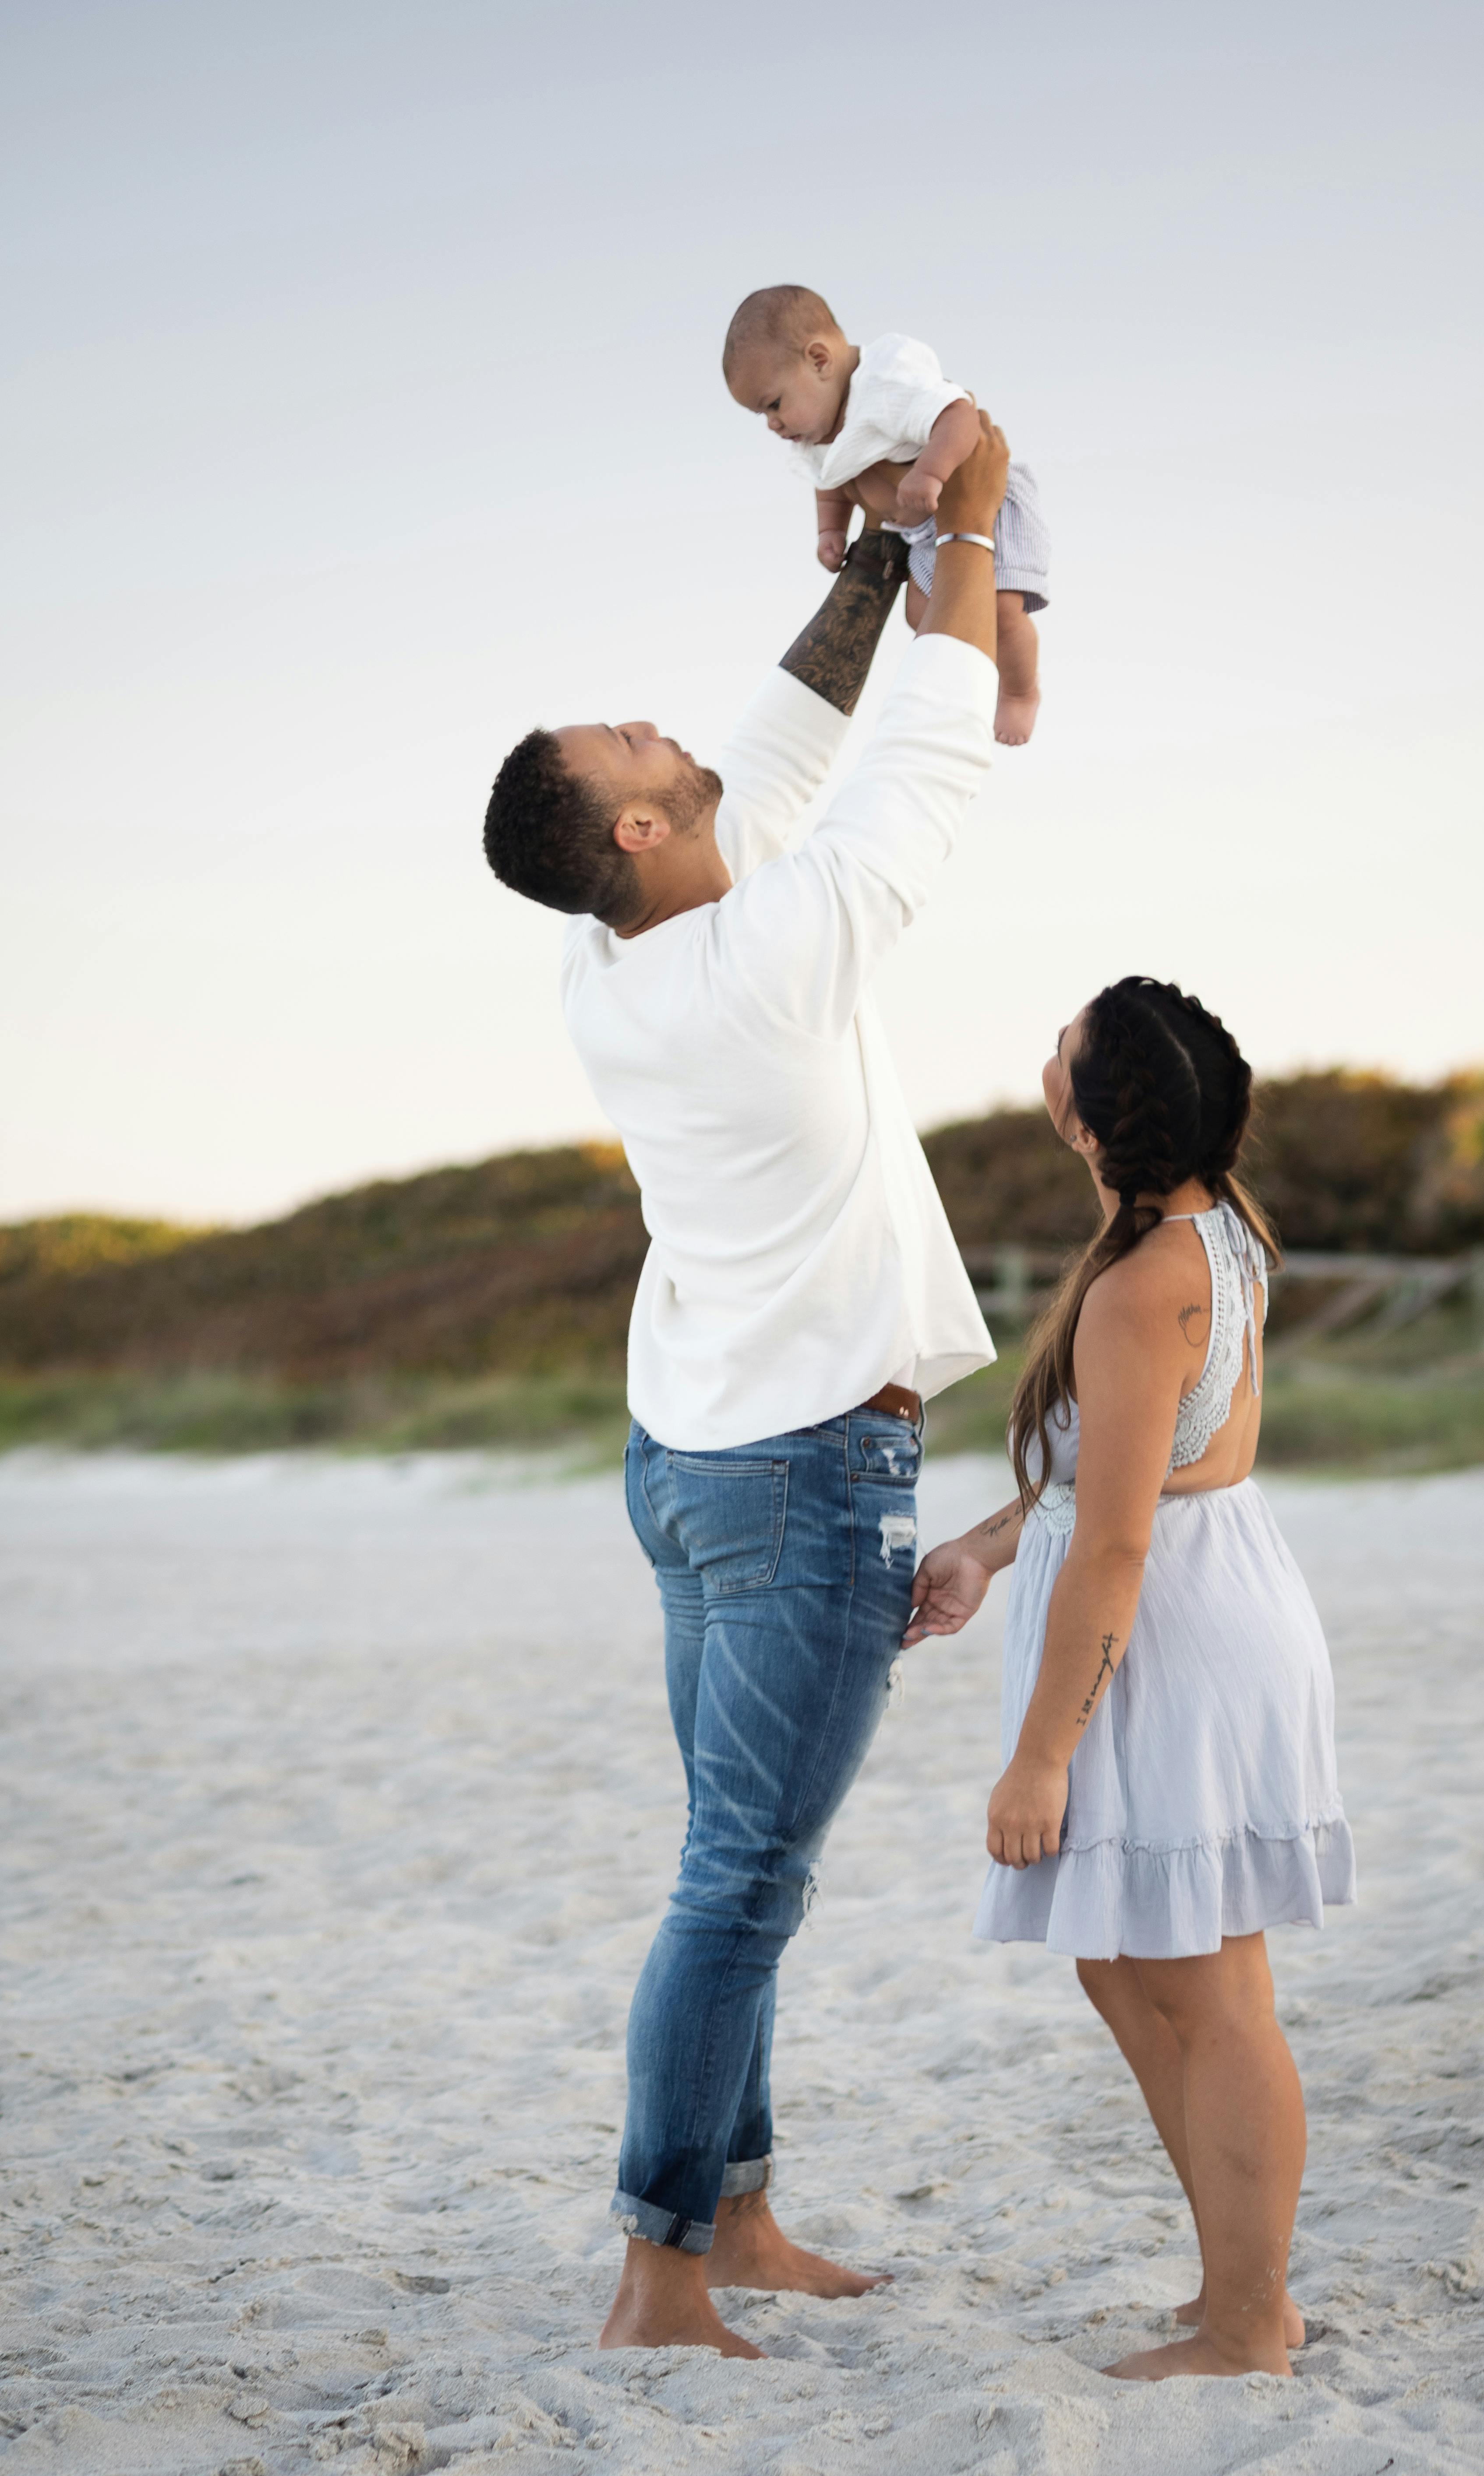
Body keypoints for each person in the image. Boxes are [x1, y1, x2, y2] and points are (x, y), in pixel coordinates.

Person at [481, 417, 1014, 2359]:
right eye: (633, 747)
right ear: (635, 833)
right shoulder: (767, 953)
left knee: (737, 1860)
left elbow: (780, 754)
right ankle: (659, 2271)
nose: (661, 729)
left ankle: (746, 2211)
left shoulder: (625, 967)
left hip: (695, 1462)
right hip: (795, 1477)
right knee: (741, 1880)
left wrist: (869, 560)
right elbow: (923, 767)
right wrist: (961, 523)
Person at [904, 978, 1355, 2380]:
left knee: (1211, 1989)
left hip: (1173, 1635)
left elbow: (1112, 1544)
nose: (1044, 1060)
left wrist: (1040, 1754)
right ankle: (1240, 2275)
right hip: (1201, 1602)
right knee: (1123, 1957)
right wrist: (985, 1552)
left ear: (1099, 1127)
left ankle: (1247, 2321)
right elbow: (1111, 1484)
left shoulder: (1149, 1280)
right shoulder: (1202, 1229)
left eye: (1066, 1055)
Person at [724, 285, 1048, 746]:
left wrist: (931, 473)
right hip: (922, 532)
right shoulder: (816, 432)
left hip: (985, 504)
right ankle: (981, 673)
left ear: (819, 360)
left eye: (773, 404)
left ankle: (1019, 691)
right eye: (761, 414)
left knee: (1000, 608)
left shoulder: (885, 379)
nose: (772, 424)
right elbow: (831, 477)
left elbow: (958, 414)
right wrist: (830, 529)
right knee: (920, 615)